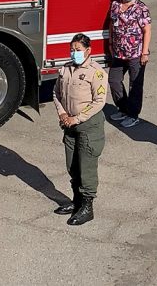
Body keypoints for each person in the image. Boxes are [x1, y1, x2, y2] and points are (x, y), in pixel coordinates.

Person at [53, 32, 108, 226]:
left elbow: (99, 101)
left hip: (87, 125)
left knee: (87, 167)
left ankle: (87, 206)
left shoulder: (96, 71)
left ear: (88, 51)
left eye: (78, 50)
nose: (74, 53)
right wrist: (62, 114)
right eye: (72, 49)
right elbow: (56, 93)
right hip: (68, 124)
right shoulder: (66, 69)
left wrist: (77, 118)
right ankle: (76, 201)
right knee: (72, 165)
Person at [103, 0, 152, 127]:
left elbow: (147, 31)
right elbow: (112, 24)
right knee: (114, 81)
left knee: (135, 85)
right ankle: (123, 108)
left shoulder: (141, 9)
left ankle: (133, 114)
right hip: (118, 53)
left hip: (136, 54)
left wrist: (144, 53)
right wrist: (110, 43)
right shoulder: (115, 6)